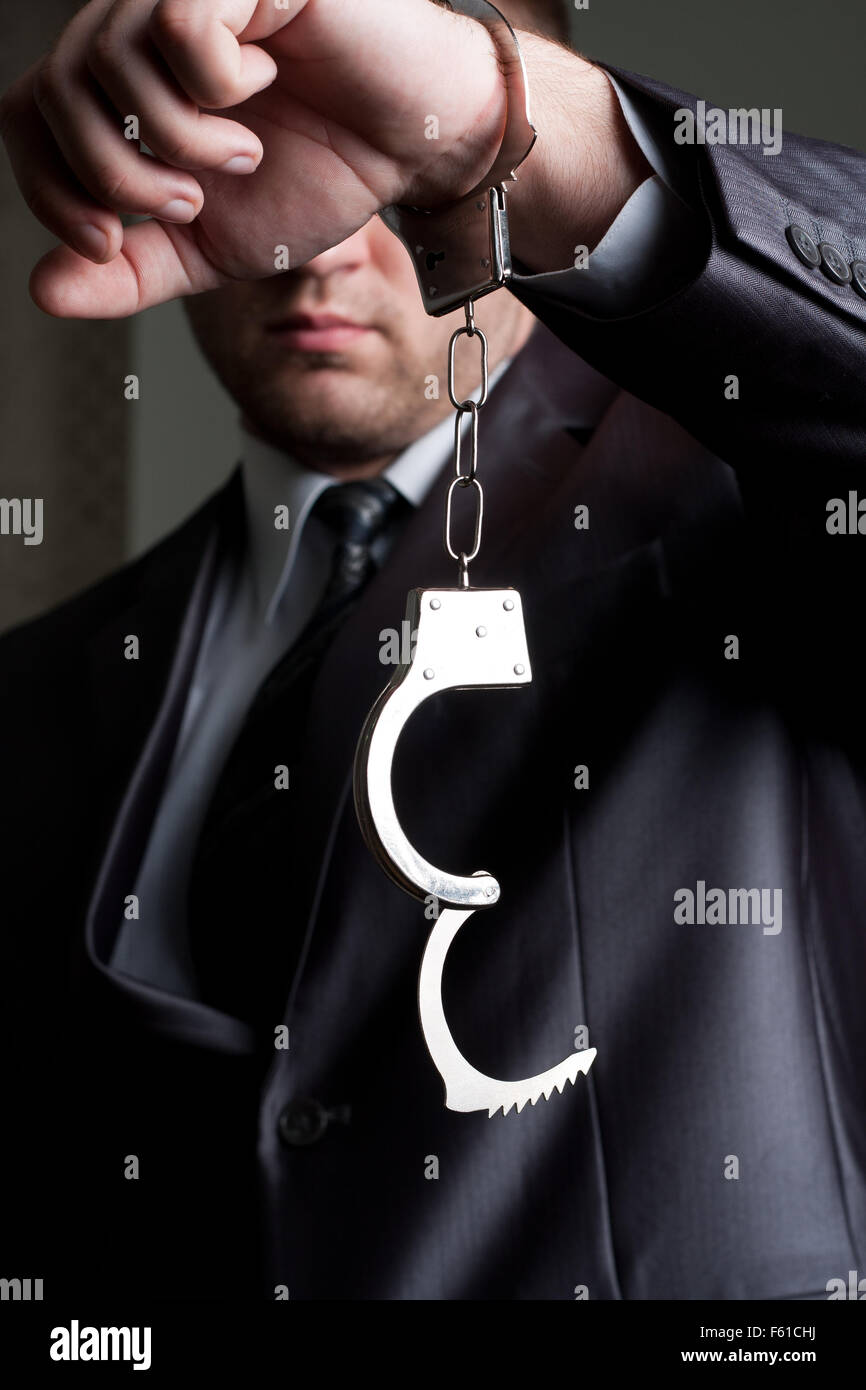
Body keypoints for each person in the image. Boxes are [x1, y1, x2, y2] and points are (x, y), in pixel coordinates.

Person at [1, 0, 864, 1302]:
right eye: (256, 150)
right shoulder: (44, 678)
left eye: (388, 171)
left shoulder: (753, 511)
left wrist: (493, 127)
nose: (321, 252)